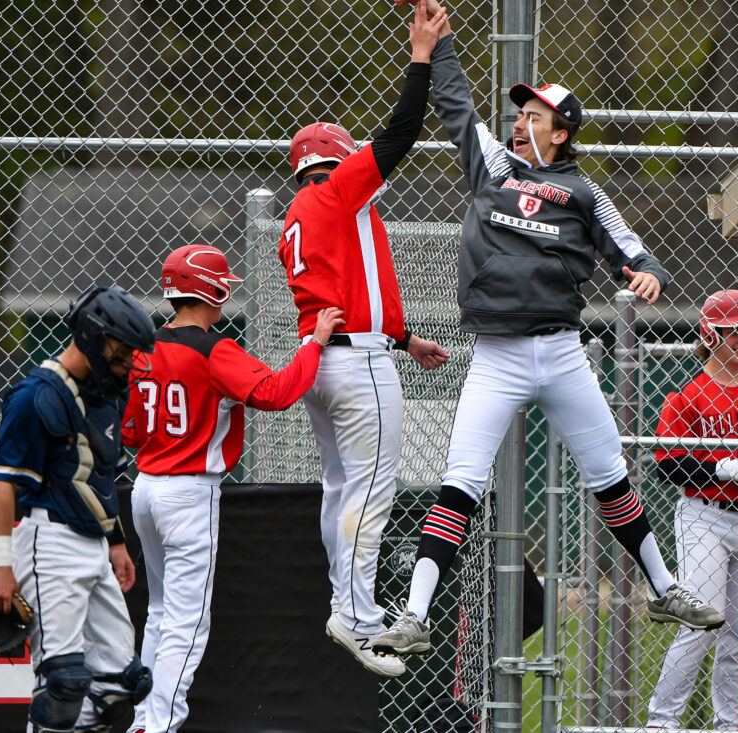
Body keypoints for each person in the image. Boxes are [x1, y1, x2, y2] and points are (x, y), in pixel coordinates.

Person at [372, 1, 723, 659]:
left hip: (561, 354)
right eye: (521, 112)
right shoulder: (494, 167)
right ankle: (415, 615)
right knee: (461, 480)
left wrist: (648, 275)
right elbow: (454, 104)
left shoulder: (586, 195)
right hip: (498, 355)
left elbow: (635, 251)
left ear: (561, 133)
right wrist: (435, 39)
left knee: (610, 475)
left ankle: (663, 585)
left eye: (535, 115)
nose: (520, 120)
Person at [276, 0, 451, 679]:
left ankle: (345, 602)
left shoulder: (304, 210)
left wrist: (406, 338)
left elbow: (355, 288)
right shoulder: (334, 193)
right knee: (371, 490)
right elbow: (401, 132)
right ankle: (353, 612)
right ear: (334, 162)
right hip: (355, 366)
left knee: (339, 486)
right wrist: (420, 55)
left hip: (328, 360)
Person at [121, 245, 344, 732]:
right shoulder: (215, 348)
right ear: (210, 289)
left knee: (159, 613)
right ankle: (158, 725)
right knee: (187, 622)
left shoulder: (143, 349)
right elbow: (277, 393)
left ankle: (143, 719)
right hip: (188, 494)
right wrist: (315, 344)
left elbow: (131, 434)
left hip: (145, 489)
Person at [0, 286, 157, 733]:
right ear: (91, 337)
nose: (128, 362)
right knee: (62, 684)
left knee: (120, 688)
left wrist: (116, 541)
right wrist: (1, 566)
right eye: (121, 351)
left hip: (94, 544)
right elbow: (3, 484)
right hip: (50, 539)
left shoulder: (105, 394)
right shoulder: (36, 395)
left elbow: (96, 478)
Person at [647, 290, 738, 730]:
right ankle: (663, 721)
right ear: (710, 335)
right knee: (701, 621)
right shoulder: (688, 395)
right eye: (733, 332)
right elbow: (668, 464)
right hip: (703, 515)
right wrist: (723, 468)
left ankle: (729, 724)